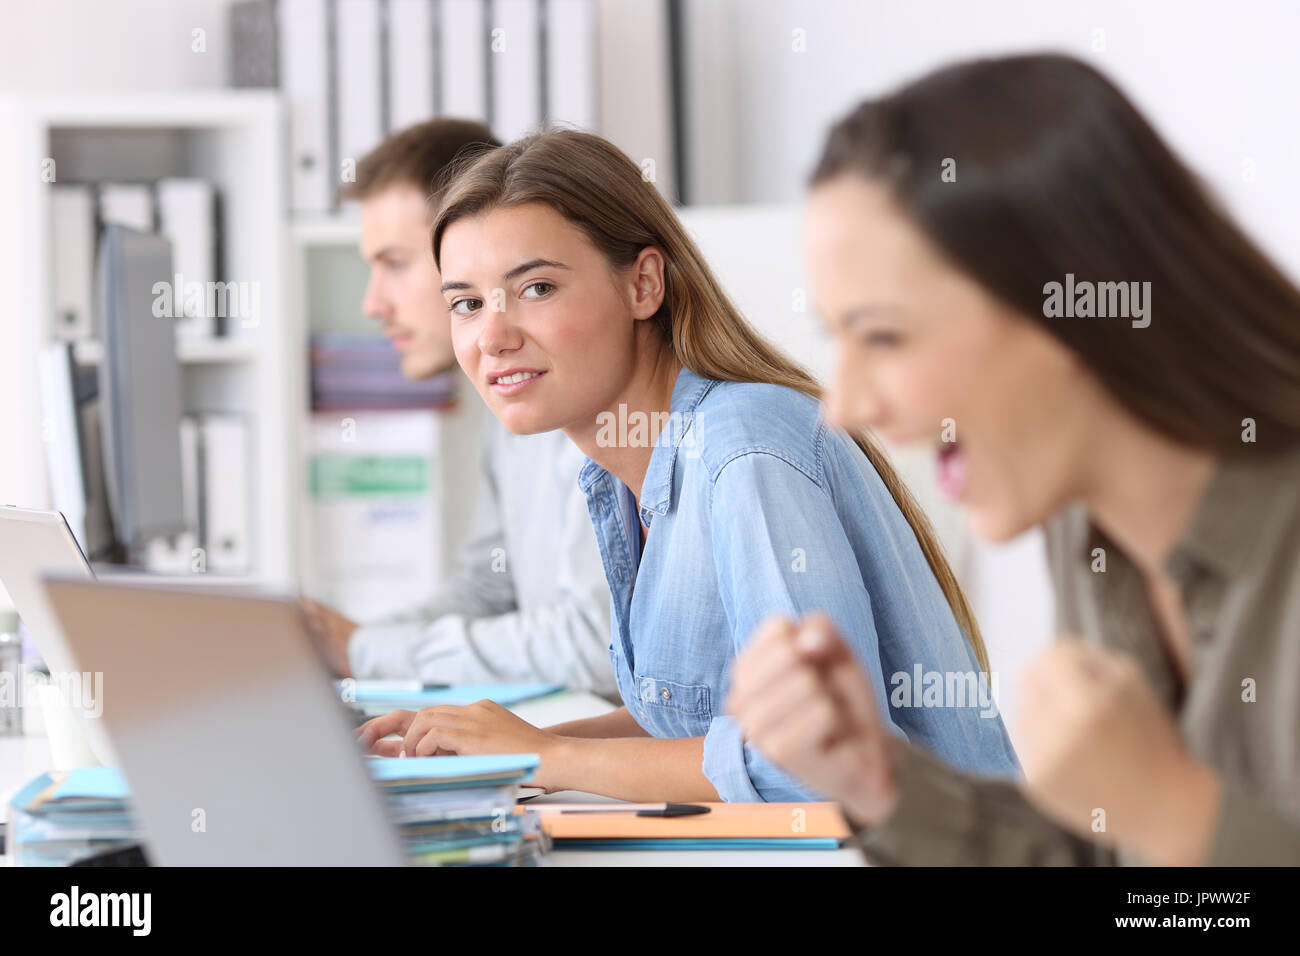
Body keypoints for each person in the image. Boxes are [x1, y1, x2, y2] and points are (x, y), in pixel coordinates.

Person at [727, 53, 1300, 863]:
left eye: (884, 335)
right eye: (836, 336)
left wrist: (1179, 812)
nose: (845, 408)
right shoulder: (1087, 526)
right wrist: (880, 781)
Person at [357, 129, 1020, 803]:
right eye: (466, 303)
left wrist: (546, 754)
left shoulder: (742, 447)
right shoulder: (621, 475)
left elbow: (822, 764)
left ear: (644, 284)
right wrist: (493, 743)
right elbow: (691, 721)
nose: (492, 336)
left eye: (536, 288)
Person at [302, 118, 617, 697]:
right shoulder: (513, 407)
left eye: (395, 263)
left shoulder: (595, 408)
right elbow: (488, 590)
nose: (373, 303)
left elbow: (599, 643)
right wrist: (342, 645)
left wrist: (364, 650)